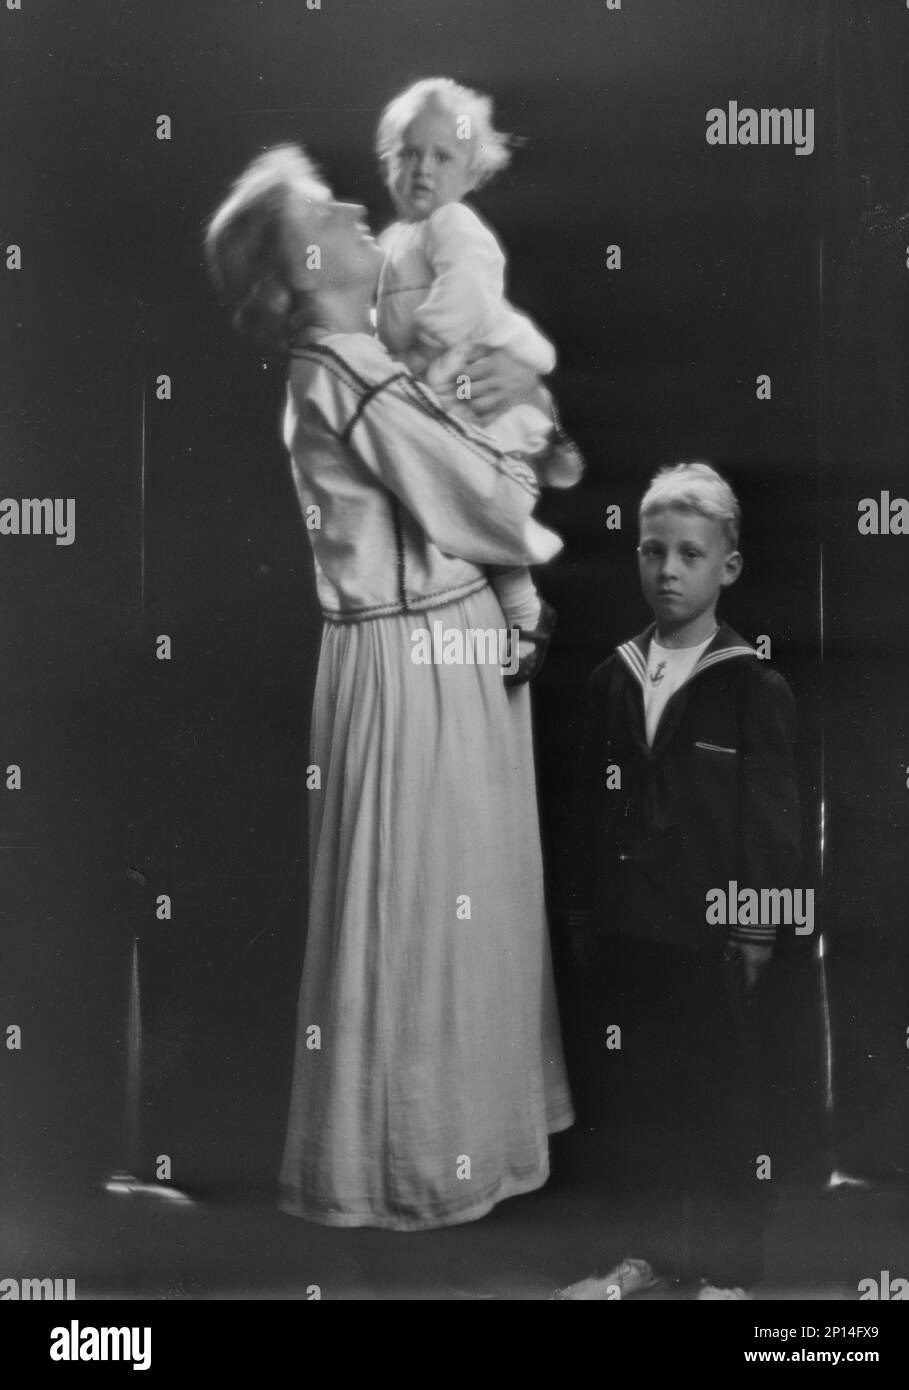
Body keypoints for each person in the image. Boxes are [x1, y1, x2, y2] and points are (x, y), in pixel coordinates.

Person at [204, 145, 574, 1231]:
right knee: (420, 905)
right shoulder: (346, 370)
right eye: (331, 207)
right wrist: (537, 436)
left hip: (429, 650)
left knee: (453, 904)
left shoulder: (363, 358)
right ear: (303, 267)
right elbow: (481, 497)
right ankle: (409, 1176)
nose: (364, 205)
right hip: (414, 658)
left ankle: (430, 1162)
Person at [556, 462, 802, 1299]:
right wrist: (586, 910)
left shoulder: (751, 685)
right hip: (627, 929)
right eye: (653, 551)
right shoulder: (610, 679)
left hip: (714, 938)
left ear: (725, 567)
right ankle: (637, 1258)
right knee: (634, 1102)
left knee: (722, 1111)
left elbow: (770, 820)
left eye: (689, 554)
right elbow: (589, 806)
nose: (668, 570)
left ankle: (727, 1276)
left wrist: (756, 928)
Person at [375, 77, 584, 683]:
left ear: (471, 175)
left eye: (442, 157)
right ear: (388, 162)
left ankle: (525, 611)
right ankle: (517, 606)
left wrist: (419, 349)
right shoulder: (392, 242)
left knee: (473, 506)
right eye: (408, 153)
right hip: (431, 393)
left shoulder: (453, 225)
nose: (422, 170)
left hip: (465, 382)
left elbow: (466, 291)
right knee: (453, 509)